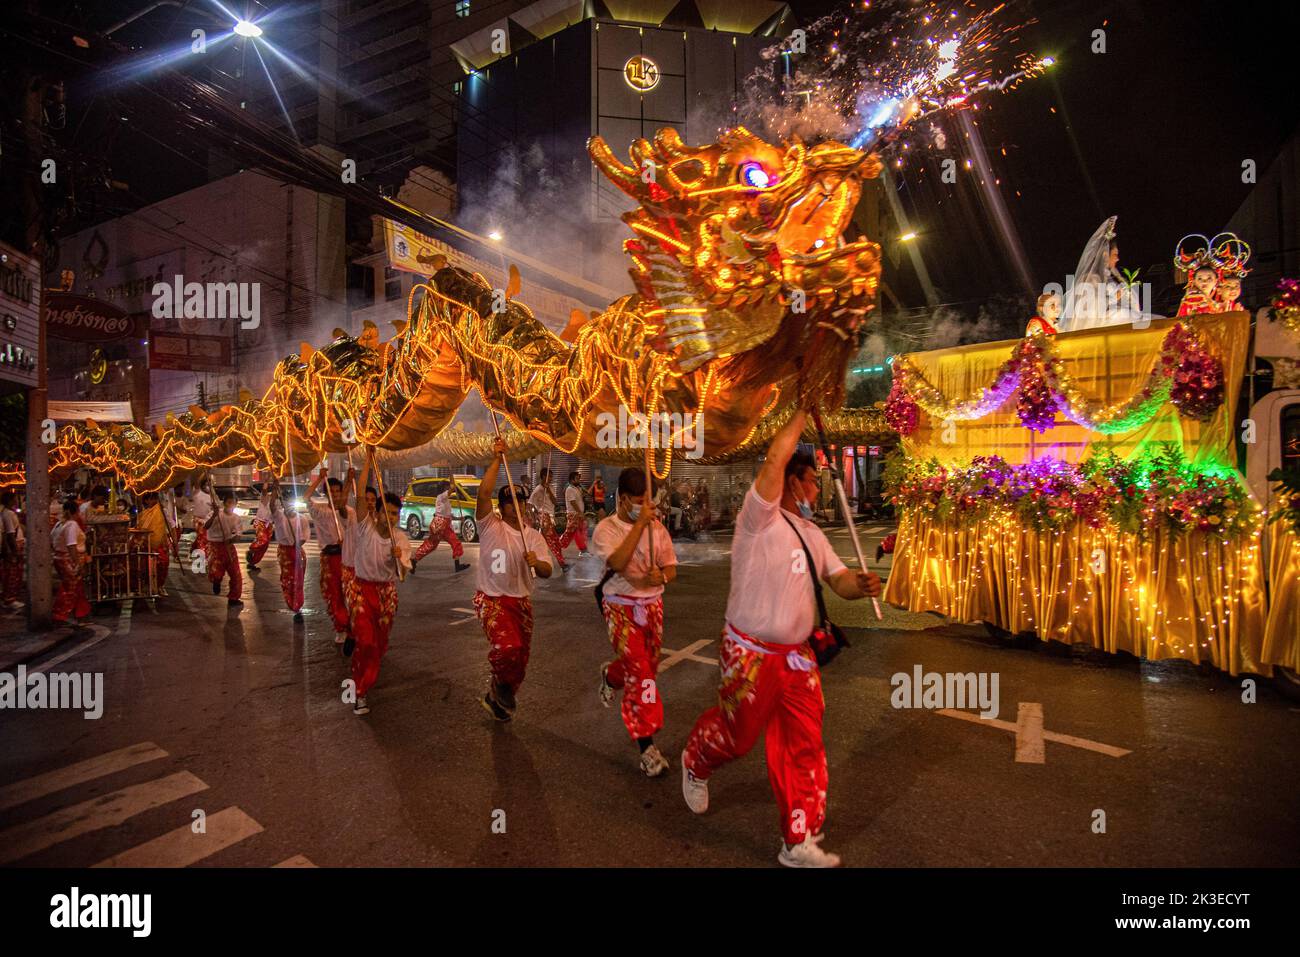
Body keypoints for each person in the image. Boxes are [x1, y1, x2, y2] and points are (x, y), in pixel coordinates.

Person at [680, 409, 883, 868]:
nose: (817, 489)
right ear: (794, 483)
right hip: (749, 653)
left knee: (804, 743)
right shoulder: (758, 519)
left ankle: (798, 839)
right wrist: (802, 404)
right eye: (811, 481)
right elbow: (774, 459)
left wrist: (861, 586)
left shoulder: (813, 534)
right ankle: (697, 758)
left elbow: (839, 580)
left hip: (798, 658)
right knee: (739, 738)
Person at [593, 468, 677, 777]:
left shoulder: (658, 530)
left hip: (652, 607)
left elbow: (671, 569)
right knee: (642, 675)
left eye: (648, 501)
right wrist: (639, 524)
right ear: (625, 499)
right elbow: (616, 562)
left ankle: (611, 675)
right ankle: (647, 746)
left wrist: (662, 576)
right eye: (639, 501)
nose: (645, 506)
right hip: (619, 607)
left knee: (648, 667)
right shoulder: (607, 529)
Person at [474, 439, 552, 721]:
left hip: (521, 602)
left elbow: (547, 570)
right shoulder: (490, 526)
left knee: (520, 662)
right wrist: (497, 458)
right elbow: (483, 493)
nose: (514, 506)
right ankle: (498, 686)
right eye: (508, 502)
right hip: (492, 599)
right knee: (509, 648)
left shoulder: (533, 536)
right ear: (501, 507)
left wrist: (537, 562)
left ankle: (497, 695)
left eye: (518, 501)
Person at [346, 458, 411, 716]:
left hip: (386, 595)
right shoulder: (366, 528)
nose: (391, 517)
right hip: (362, 591)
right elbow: (361, 495)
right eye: (388, 512)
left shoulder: (401, 539)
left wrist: (399, 558)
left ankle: (365, 672)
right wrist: (368, 464)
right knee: (367, 641)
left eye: (396, 513)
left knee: (379, 645)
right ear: (379, 513)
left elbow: (404, 571)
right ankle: (360, 692)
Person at [307, 467, 356, 646]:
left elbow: (353, 529)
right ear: (326, 493)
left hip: (347, 557)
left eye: (338, 491)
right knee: (333, 594)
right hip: (330, 557)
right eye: (331, 491)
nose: (335, 494)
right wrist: (319, 479)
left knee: (350, 594)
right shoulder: (320, 511)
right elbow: (306, 498)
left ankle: (353, 627)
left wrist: (350, 481)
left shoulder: (349, 512)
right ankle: (340, 628)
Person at [270, 485, 311, 622]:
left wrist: (299, 543)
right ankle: (292, 604)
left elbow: (305, 535)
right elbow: (271, 506)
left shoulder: (302, 518)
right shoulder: (279, 516)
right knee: (287, 580)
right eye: (286, 501)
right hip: (285, 552)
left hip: (298, 551)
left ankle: (298, 605)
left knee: (298, 580)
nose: (289, 504)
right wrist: (274, 490)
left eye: (291, 500)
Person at [412, 484, 468, 573]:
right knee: (452, 543)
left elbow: (447, 515)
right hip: (441, 525)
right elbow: (448, 493)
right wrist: (452, 488)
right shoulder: (441, 497)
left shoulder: (444, 500)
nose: (448, 490)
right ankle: (457, 565)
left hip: (440, 524)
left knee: (434, 544)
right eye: (446, 488)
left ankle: (414, 560)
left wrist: (458, 518)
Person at [51, 500, 90, 625]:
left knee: (75, 588)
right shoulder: (71, 524)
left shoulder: (59, 524)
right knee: (70, 589)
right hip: (69, 560)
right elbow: (71, 545)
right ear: (77, 512)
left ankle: (79, 615)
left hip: (60, 558)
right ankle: (60, 616)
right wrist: (77, 563)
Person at [205, 490, 244, 607]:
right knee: (216, 572)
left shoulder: (236, 517)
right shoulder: (216, 514)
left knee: (236, 573)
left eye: (233, 503)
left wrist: (232, 539)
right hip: (215, 546)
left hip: (228, 546)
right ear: (224, 503)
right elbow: (206, 527)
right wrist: (213, 515)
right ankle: (216, 582)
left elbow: (238, 534)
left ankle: (234, 597)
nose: (231, 505)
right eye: (229, 502)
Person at [528, 467, 567, 570]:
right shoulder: (538, 489)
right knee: (554, 542)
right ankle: (562, 564)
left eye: (551, 476)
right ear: (543, 476)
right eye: (549, 476)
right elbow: (530, 504)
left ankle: (532, 561)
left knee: (541, 542)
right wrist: (535, 516)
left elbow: (555, 502)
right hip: (544, 517)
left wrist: (548, 489)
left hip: (551, 517)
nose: (551, 478)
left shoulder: (551, 488)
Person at [136, 491, 173, 596]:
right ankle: (148, 587)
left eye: (155, 498)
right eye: (151, 499)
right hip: (147, 544)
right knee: (146, 567)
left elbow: (172, 525)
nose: (154, 501)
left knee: (163, 564)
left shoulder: (162, 511)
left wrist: (174, 541)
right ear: (146, 501)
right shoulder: (143, 514)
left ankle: (160, 586)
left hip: (161, 544)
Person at [557, 471, 589, 558]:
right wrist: (580, 513)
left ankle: (583, 550)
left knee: (577, 533)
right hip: (574, 514)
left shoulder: (577, 488)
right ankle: (558, 545)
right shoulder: (570, 489)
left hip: (578, 514)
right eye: (577, 478)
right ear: (572, 480)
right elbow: (573, 502)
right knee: (571, 533)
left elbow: (584, 496)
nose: (579, 480)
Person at [1, 491, 23, 608]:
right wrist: (15, 551)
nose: (16, 501)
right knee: (12, 574)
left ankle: (10, 597)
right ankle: (9, 598)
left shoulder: (8, 513)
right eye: (14, 499)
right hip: (13, 546)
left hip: (15, 545)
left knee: (13, 573)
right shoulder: (8, 514)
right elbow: (10, 534)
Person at [246, 487, 274, 571]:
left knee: (264, 546)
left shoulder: (275, 503)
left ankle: (252, 562)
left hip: (269, 525)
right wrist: (267, 482)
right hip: (260, 522)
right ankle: (252, 549)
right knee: (263, 540)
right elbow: (264, 490)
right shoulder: (264, 499)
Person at [190, 479, 213, 557]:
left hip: (207, 520)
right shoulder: (197, 493)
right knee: (201, 536)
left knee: (203, 537)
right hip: (198, 520)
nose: (208, 487)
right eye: (206, 485)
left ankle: (195, 549)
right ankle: (200, 553)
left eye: (210, 485)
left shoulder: (212, 496)